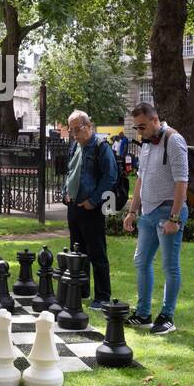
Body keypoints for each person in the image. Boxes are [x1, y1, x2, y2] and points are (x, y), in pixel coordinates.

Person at [121, 103, 188, 336]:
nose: (139, 131)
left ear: (155, 120)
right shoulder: (147, 144)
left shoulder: (174, 140)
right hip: (147, 213)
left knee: (170, 265)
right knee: (141, 261)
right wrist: (132, 211)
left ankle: (167, 316)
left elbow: (182, 182)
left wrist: (174, 218)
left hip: (168, 211)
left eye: (142, 126)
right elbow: (140, 179)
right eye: (136, 127)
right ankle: (143, 313)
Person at [63, 110, 117, 309]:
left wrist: (93, 200)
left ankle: (102, 296)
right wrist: (65, 192)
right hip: (74, 206)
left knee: (97, 253)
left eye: (78, 130)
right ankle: (81, 289)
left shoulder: (101, 147)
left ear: (89, 126)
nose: (75, 135)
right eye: (72, 131)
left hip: (91, 208)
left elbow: (110, 177)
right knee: (77, 252)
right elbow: (70, 172)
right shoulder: (74, 146)